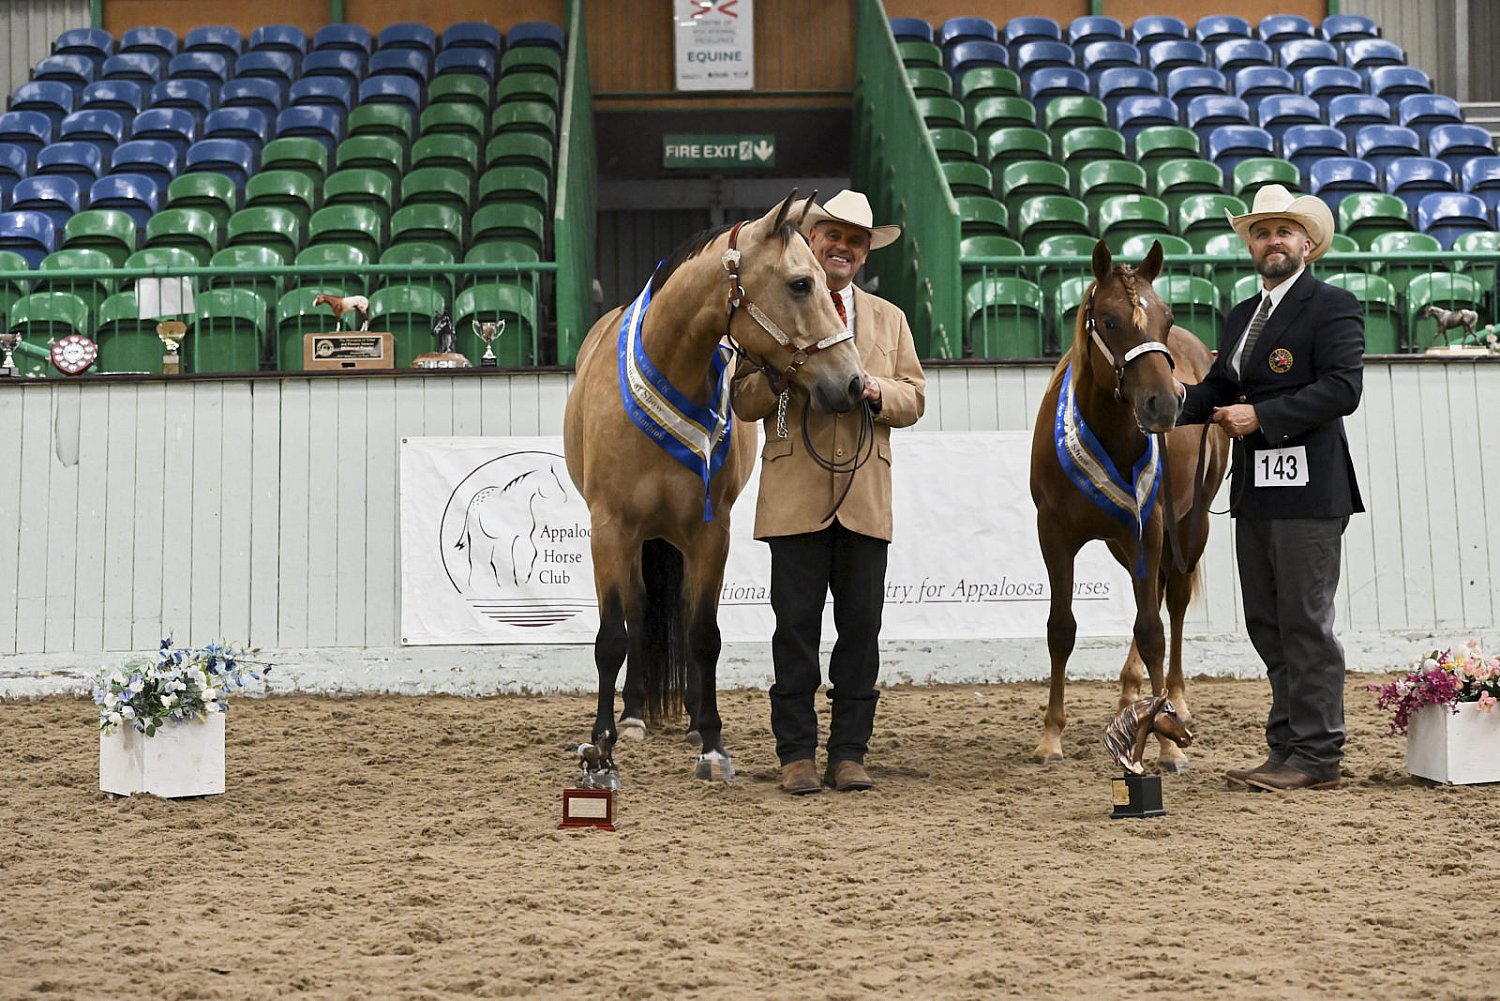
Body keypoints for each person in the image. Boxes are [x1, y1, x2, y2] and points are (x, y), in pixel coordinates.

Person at [730, 190, 926, 795]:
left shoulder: (889, 318)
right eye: (832, 235)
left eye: (856, 240)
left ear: (865, 254)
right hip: (795, 497)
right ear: (810, 242)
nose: (843, 247)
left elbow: (914, 397)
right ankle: (795, 754)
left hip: (865, 494)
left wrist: (875, 390)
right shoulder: (774, 312)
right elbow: (743, 400)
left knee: (861, 629)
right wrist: (783, 370)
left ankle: (849, 752)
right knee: (794, 630)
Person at [1174, 184, 1365, 792]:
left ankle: (1317, 754)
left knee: (1306, 621)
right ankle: (1286, 747)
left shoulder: (1333, 305)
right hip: (1257, 488)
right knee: (1268, 622)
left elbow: (1343, 389)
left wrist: (1263, 416)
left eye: (1284, 231)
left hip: (1310, 492)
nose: (1272, 240)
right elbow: (1217, 392)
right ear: (1251, 245)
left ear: (1307, 244)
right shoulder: (1241, 317)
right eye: (1261, 232)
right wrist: (1165, 407)